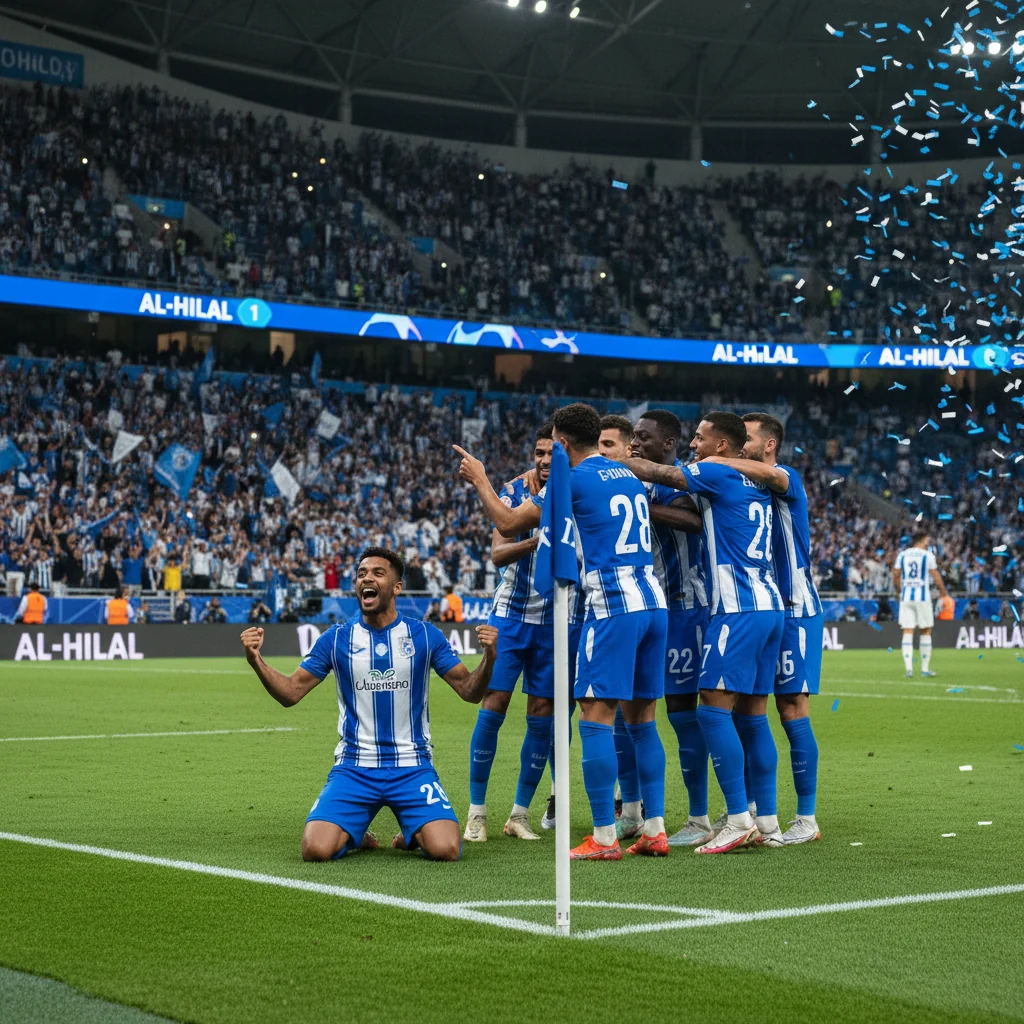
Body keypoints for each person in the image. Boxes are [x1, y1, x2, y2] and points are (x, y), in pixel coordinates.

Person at [456, 402, 670, 860]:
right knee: (643, 720)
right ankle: (654, 827)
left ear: (564, 443)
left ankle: (605, 837)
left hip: (611, 606)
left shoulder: (570, 479)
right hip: (653, 602)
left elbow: (507, 522)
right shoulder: (627, 475)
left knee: (594, 717)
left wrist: (480, 479)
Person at [239, 547, 499, 862]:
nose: (366, 579)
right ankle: (357, 833)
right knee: (315, 850)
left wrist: (489, 658)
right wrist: (257, 662)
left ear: (397, 587)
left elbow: (469, 690)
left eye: (377, 573)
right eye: (362, 574)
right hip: (354, 768)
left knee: (446, 849)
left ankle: (411, 834)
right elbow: (291, 693)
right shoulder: (336, 639)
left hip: (412, 766)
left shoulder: (424, 636)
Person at [630, 412, 785, 854]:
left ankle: (737, 819)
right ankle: (768, 821)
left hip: (737, 608)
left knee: (712, 712)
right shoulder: (763, 482)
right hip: (769, 604)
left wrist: (613, 460)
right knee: (753, 717)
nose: (693, 444)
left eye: (700, 438)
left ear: (722, 446)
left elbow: (659, 471)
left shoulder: (714, 471)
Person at [702, 413, 825, 846]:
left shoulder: (782, 475)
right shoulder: (745, 483)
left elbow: (768, 474)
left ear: (769, 444)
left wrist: (717, 463)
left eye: (748, 439)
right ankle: (757, 811)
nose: (742, 446)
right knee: (748, 710)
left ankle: (806, 817)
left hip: (795, 609)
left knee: (791, 707)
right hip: (762, 603)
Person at [464, 424, 556, 843]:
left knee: (542, 714)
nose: (544, 460)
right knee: (494, 703)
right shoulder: (513, 491)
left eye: (553, 453)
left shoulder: (573, 490)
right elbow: (499, 552)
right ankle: (477, 812)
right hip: (511, 616)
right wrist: (540, 540)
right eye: (539, 452)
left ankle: (519, 814)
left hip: (555, 620)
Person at [629, 409, 710, 847]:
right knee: (639, 711)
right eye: (633, 436)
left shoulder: (680, 479)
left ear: (668, 445)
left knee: (683, 713)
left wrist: (646, 506)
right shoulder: (640, 483)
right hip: (652, 610)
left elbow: (692, 521)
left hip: (685, 609)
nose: (635, 442)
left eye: (644, 437)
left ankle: (700, 816)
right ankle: (635, 809)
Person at [893, 531, 949, 679]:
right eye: (926, 541)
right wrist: (943, 592)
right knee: (925, 631)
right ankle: (924, 669)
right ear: (921, 541)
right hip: (922, 597)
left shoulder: (903, 555)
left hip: (906, 597)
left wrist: (899, 591)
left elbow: (896, 575)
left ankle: (909, 670)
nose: (928, 544)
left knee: (907, 631)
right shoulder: (927, 556)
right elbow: (935, 574)